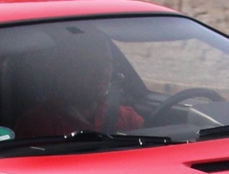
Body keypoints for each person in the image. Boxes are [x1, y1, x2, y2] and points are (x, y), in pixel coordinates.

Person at [8, 28, 144, 139]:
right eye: (91, 64)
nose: (102, 72)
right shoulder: (39, 124)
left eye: (107, 63)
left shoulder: (126, 116)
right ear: (67, 69)